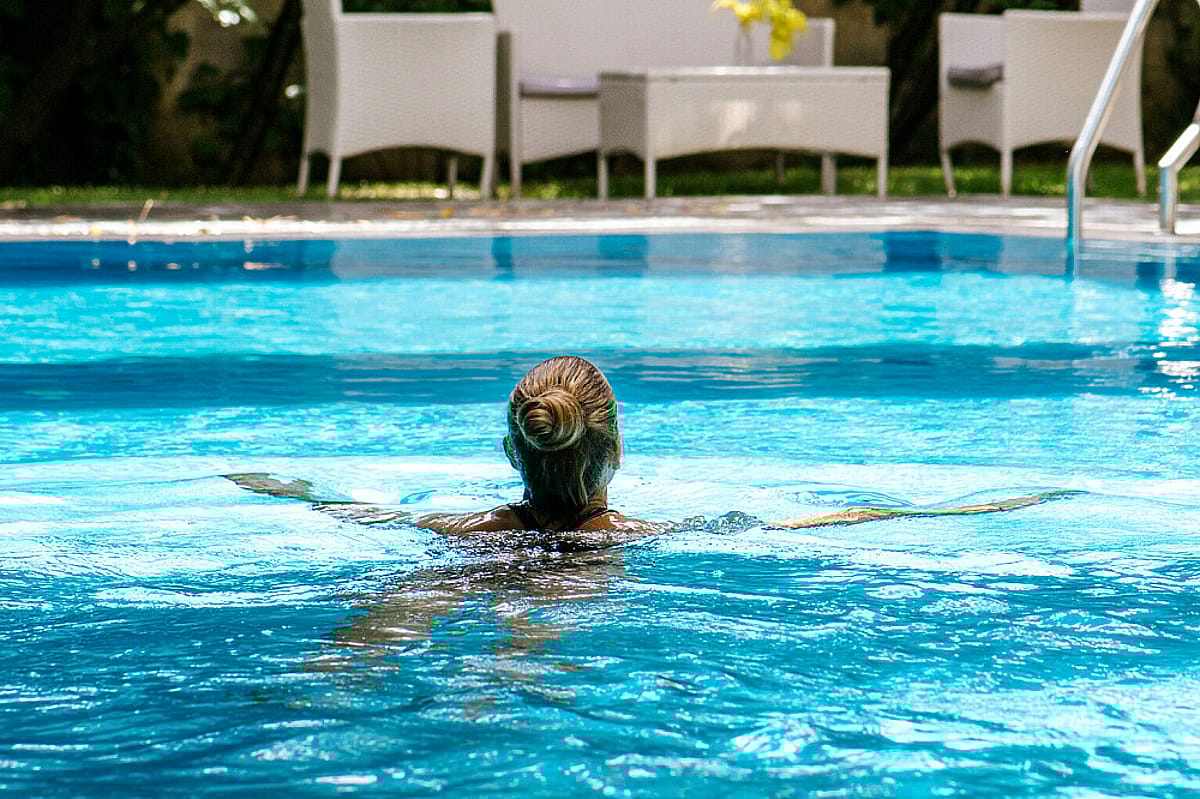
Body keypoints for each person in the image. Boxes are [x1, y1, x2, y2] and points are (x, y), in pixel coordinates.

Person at [228, 355, 1077, 545]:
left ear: (514, 446)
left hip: (478, 560)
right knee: (524, 651)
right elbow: (836, 518)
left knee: (388, 628)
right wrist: (981, 504)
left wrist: (284, 486)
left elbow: (339, 506)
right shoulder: (647, 537)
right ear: (614, 446)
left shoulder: (457, 532)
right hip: (588, 574)